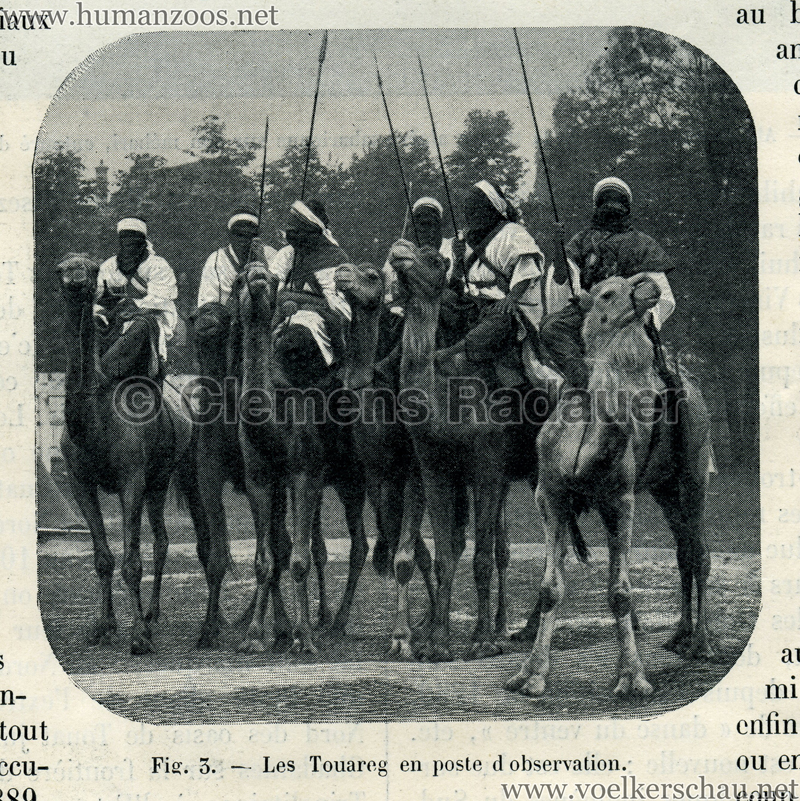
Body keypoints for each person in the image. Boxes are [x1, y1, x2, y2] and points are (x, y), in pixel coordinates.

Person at [541, 176, 675, 388]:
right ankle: (585, 381)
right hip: (590, 310)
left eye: (617, 200)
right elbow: (562, 276)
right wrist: (558, 246)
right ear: (597, 206)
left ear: (626, 207)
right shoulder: (582, 240)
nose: (611, 205)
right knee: (550, 327)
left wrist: (645, 313)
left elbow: (661, 293)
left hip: (629, 313)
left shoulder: (643, 244)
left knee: (667, 382)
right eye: (606, 200)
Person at [436, 180, 545, 385]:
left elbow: (527, 270)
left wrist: (511, 298)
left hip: (505, 303)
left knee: (499, 319)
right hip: (473, 302)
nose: (471, 216)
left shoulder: (513, 233)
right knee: (442, 302)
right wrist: (459, 259)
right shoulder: (465, 239)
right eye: (468, 211)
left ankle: (450, 352)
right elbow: (458, 280)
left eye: (476, 210)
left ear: (491, 209)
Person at [267, 198, 351, 368]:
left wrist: (298, 300)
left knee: (297, 339)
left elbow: (339, 307)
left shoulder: (335, 258)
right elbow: (273, 289)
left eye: (297, 232)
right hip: (284, 314)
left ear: (313, 232)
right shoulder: (287, 254)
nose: (291, 237)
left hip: (319, 321)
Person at [94, 216, 177, 381]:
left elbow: (160, 299)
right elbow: (96, 298)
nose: (129, 245)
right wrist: (105, 313)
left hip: (149, 318)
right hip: (115, 319)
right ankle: (92, 367)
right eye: (125, 240)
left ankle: (104, 371)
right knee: (92, 322)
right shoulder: (108, 266)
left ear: (143, 242)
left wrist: (132, 306)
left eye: (134, 240)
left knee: (141, 325)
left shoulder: (158, 265)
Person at [197, 208, 277, 308]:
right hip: (226, 316)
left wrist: (264, 265)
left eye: (249, 235)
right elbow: (208, 303)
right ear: (229, 235)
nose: (243, 240)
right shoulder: (217, 260)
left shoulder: (269, 254)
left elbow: (276, 296)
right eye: (239, 235)